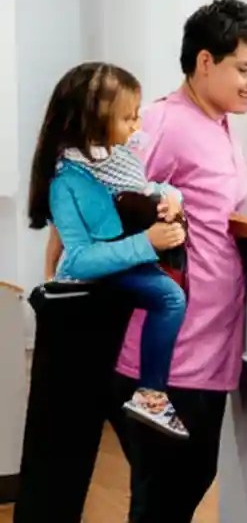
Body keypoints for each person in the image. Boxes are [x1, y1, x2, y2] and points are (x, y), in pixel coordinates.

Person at [108, 0, 247, 521]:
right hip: (167, 355)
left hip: (206, 352)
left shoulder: (218, 123)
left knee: (186, 482)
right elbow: (103, 204)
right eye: (246, 69)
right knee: (164, 498)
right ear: (206, 62)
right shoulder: (163, 121)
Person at [27, 62, 191, 439]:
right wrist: (146, 242)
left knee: (169, 296)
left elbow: (149, 187)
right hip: (100, 274)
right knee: (169, 297)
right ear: (93, 119)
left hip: (124, 263)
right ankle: (151, 394)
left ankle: (150, 394)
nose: (137, 127)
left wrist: (171, 199)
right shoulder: (68, 180)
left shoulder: (115, 160)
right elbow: (79, 258)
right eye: (128, 118)